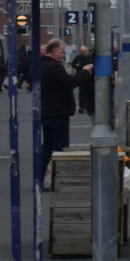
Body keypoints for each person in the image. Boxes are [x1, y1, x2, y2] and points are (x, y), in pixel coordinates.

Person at [36, 39, 91, 181]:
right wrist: (85, 72)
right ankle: (60, 179)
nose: (63, 55)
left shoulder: (41, 66)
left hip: (46, 111)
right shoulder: (54, 67)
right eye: (61, 52)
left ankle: (39, 177)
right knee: (60, 147)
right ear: (54, 51)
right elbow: (70, 82)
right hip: (57, 112)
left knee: (47, 146)